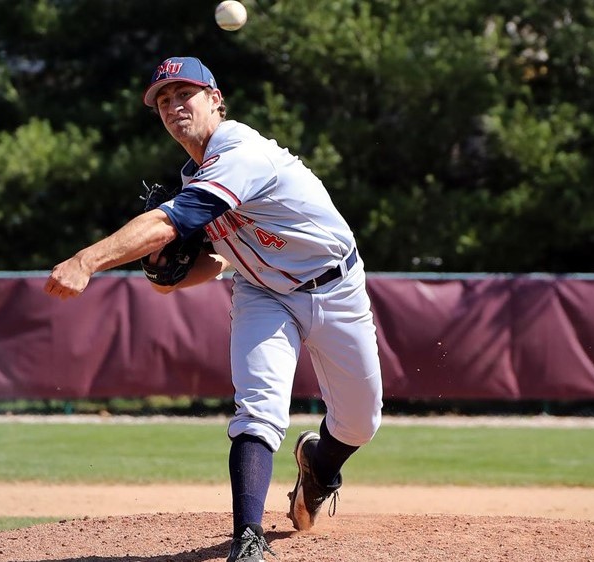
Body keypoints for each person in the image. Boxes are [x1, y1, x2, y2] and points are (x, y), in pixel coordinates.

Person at [44, 56, 383, 562]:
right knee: (259, 410)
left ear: (216, 100)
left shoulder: (241, 154)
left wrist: (86, 260)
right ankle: (248, 538)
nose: (174, 104)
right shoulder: (196, 177)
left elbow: (169, 221)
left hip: (335, 287)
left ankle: (318, 464)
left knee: (360, 422)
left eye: (186, 93)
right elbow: (212, 263)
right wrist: (169, 273)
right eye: (163, 99)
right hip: (263, 293)